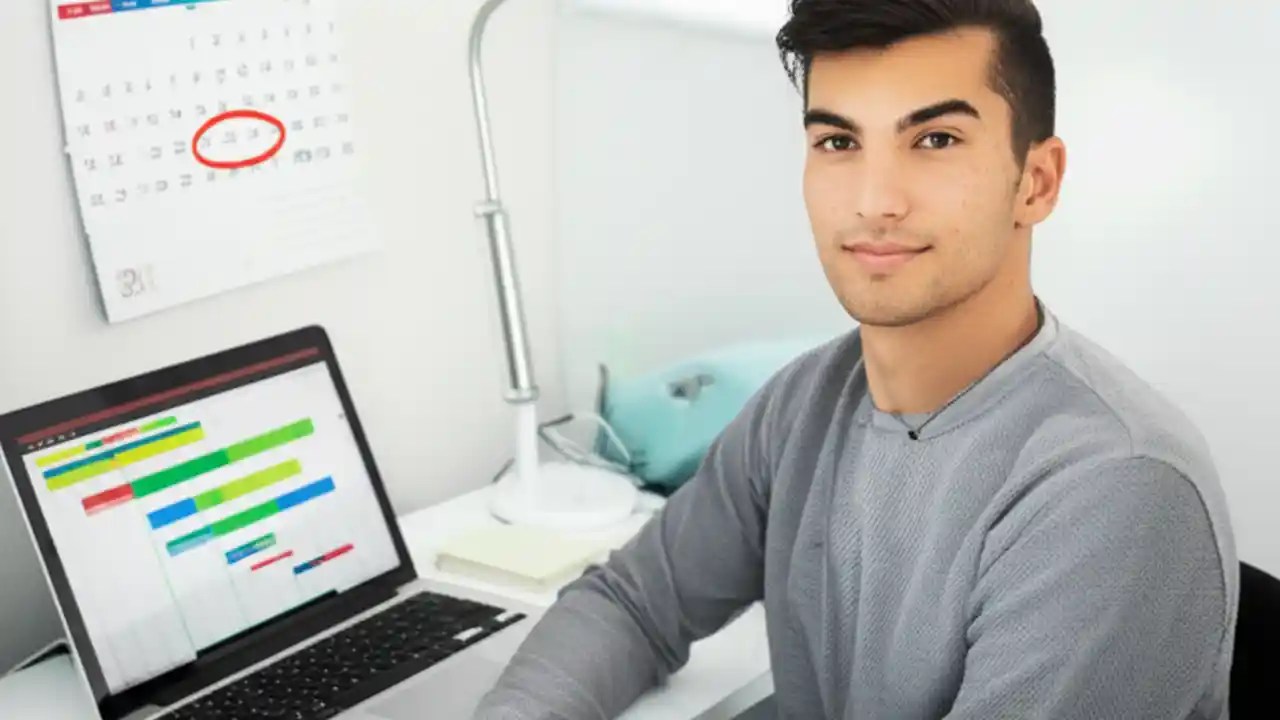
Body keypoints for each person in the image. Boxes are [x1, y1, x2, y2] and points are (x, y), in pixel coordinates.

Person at [475, 0, 1238, 717]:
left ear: (1035, 182)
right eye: (839, 142)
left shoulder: (1115, 492)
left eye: (934, 140)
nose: (874, 199)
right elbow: (634, 605)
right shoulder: (803, 403)